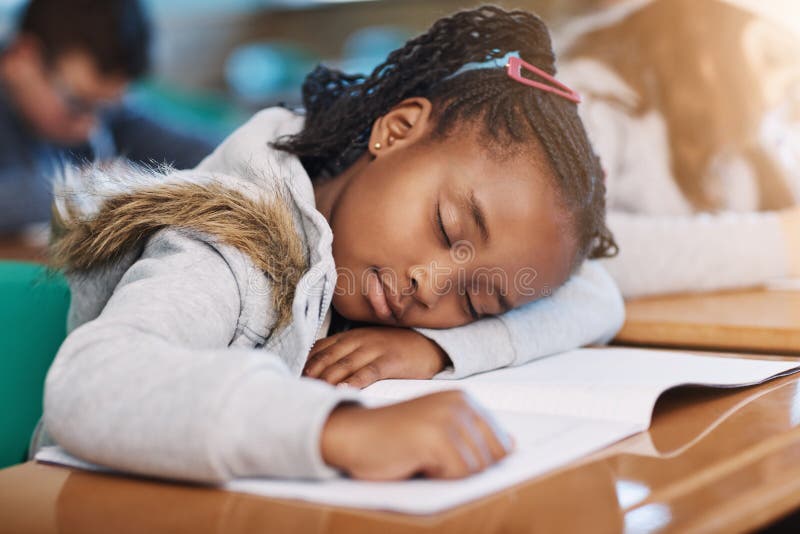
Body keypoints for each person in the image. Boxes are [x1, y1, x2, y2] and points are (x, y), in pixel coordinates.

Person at [36, 5, 624, 483]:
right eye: (447, 228)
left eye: (476, 301)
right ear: (396, 130)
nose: (433, 285)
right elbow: (91, 384)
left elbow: (597, 296)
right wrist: (335, 430)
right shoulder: (229, 248)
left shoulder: (382, 275)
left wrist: (436, 350)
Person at [555, 0, 800, 298]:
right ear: (702, 28)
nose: (776, 89)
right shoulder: (588, 97)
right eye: (772, 57)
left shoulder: (737, 148)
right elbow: (570, 247)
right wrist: (779, 243)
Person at [0, 0, 214, 234]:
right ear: (21, 57)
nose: (90, 127)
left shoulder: (106, 111)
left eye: (105, 107)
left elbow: (206, 150)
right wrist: (81, 186)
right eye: (76, 104)